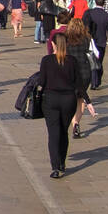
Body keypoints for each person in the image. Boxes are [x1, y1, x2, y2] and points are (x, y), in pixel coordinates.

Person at [40, 29, 78, 178]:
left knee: (53, 133)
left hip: (51, 99)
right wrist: (87, 101)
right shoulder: (72, 61)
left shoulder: (47, 60)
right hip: (69, 100)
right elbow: (78, 83)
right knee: (64, 131)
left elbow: (42, 82)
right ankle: (62, 162)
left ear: (53, 44)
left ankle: (55, 167)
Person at [63, 18, 95, 138]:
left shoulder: (66, 39)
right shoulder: (87, 38)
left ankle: (71, 121)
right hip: (84, 71)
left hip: (70, 71)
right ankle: (76, 123)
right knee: (80, 98)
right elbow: (91, 52)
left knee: (70, 98)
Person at [85, 0, 108, 89]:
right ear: (104, 4)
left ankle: (93, 81)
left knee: (91, 60)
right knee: (99, 61)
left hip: (90, 41)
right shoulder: (107, 16)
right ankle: (97, 81)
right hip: (101, 42)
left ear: (95, 3)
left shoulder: (89, 13)